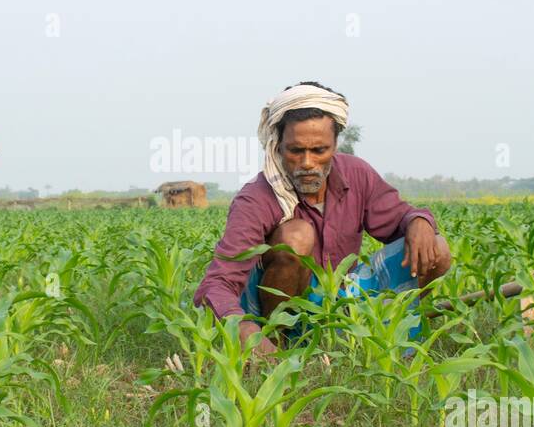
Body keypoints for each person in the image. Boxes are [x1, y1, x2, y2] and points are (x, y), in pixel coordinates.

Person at [193, 81, 451, 358]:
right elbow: (217, 284)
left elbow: (401, 216)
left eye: (319, 150)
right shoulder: (257, 198)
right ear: (278, 145)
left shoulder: (356, 174)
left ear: (335, 145)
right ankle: (277, 341)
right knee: (296, 236)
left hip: (339, 300)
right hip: (280, 306)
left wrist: (419, 221)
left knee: (438, 248)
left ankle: (389, 329)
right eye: (295, 151)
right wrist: (243, 329)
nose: (307, 162)